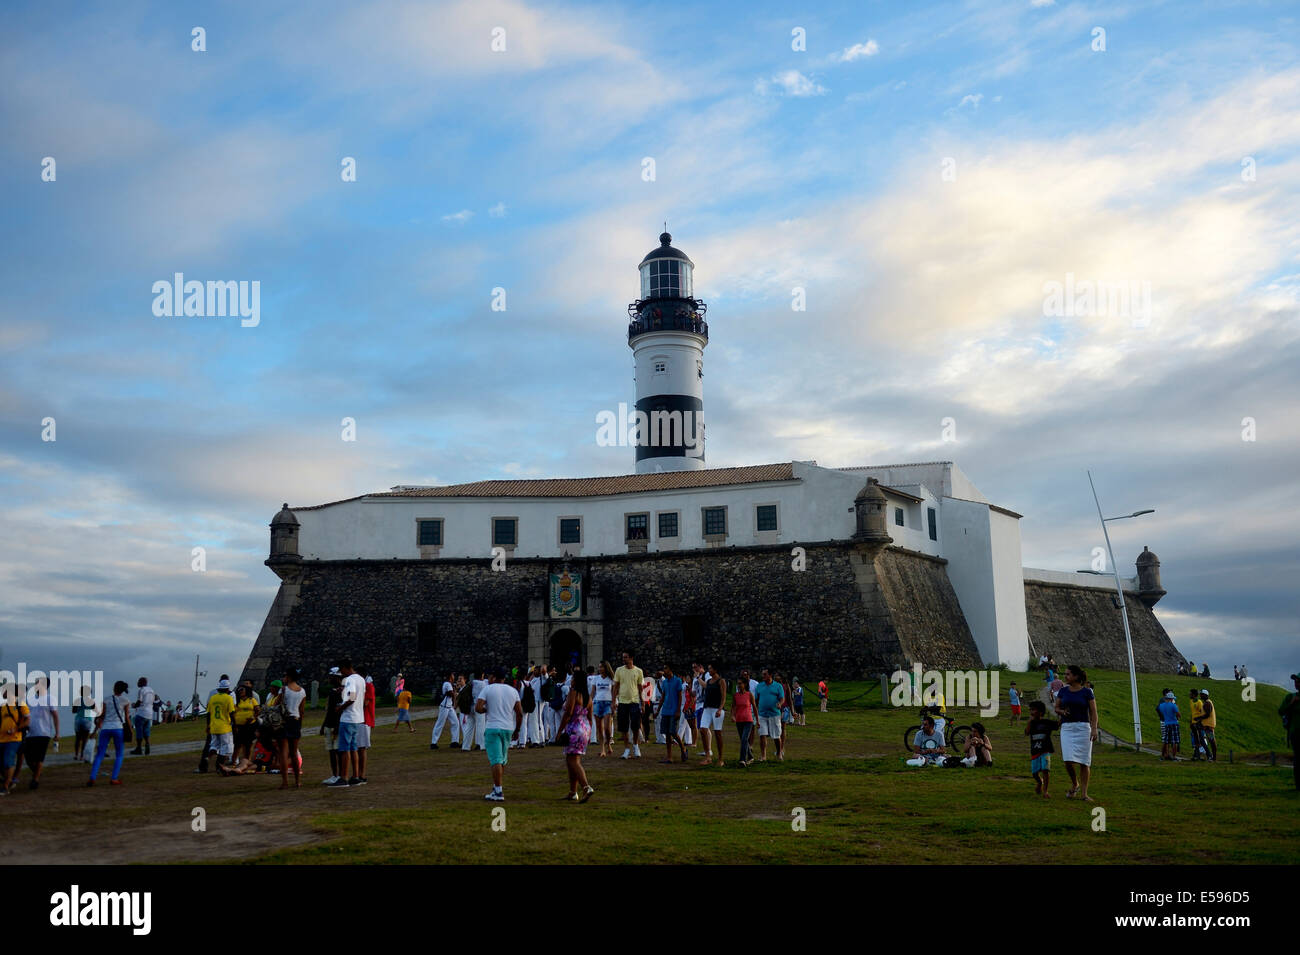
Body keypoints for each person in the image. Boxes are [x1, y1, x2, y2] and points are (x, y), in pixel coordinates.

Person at [477, 667, 522, 801]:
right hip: (507, 727)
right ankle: (496, 786)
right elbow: (519, 713)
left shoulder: (488, 689)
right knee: (502, 759)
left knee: (495, 759)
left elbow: (478, 707)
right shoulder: (513, 691)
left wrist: (486, 710)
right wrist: (517, 730)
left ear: (493, 677)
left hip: (493, 727)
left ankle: (498, 791)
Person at [1054, 665, 1098, 801]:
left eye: (1068, 674)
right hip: (1067, 728)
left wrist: (1094, 728)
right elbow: (1056, 707)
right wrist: (1061, 712)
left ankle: (1084, 794)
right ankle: (1075, 783)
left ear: (1076, 676)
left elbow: (1093, 712)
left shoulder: (1087, 692)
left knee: (1085, 762)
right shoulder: (1063, 691)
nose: (1065, 676)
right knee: (1067, 760)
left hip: (1083, 728)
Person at [560, 666, 595, 802]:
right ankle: (572, 792)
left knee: (572, 760)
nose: (571, 680)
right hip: (585, 728)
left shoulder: (573, 693)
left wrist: (559, 732)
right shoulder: (588, 697)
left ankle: (586, 787)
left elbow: (568, 713)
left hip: (574, 728)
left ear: (576, 680)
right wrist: (589, 733)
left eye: (573, 678)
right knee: (572, 760)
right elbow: (590, 717)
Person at [88, 680, 131, 787]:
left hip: (105, 728)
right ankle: (114, 778)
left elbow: (101, 717)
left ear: (114, 688)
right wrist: (130, 730)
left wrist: (94, 732)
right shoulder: (125, 700)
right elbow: (126, 718)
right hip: (118, 728)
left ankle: (92, 777)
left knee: (99, 754)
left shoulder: (106, 700)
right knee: (119, 754)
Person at [331, 660, 365, 787]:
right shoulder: (361, 679)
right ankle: (355, 776)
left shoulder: (350, 679)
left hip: (348, 717)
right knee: (353, 748)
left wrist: (340, 708)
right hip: (358, 717)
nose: (342, 673)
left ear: (346, 668)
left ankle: (344, 777)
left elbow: (352, 697)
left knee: (344, 749)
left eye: (342, 670)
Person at [23, 676, 59, 790]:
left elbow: (55, 716)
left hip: (44, 732)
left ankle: (35, 780)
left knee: (39, 757)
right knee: (28, 758)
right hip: (30, 733)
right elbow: (26, 715)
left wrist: (57, 733)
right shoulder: (30, 699)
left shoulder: (50, 698)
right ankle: (37, 772)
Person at [612, 651, 645, 759]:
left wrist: (643, 703)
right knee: (623, 727)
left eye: (626, 657)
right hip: (622, 702)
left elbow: (641, 688)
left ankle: (635, 746)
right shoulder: (619, 670)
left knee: (635, 726)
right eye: (623, 657)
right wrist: (613, 701)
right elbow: (615, 687)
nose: (623, 659)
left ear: (631, 658)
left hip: (634, 702)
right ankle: (626, 749)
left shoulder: (639, 671)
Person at [279, 668, 307, 789]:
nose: (283, 678)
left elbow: (277, 705)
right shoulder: (302, 691)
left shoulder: (284, 689)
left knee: (284, 753)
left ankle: (285, 782)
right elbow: (301, 711)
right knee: (294, 753)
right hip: (296, 721)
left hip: (285, 721)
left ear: (289, 677)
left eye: (285, 676)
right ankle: (297, 781)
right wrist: (299, 725)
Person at [1024, 700, 1058, 797]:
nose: (1031, 712)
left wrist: (1062, 714)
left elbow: (1057, 725)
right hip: (1035, 751)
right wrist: (1029, 722)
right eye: (1030, 710)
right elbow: (1026, 733)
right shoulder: (1031, 723)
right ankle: (1039, 782)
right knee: (1035, 773)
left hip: (1045, 751)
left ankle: (1045, 791)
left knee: (1045, 770)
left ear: (1041, 712)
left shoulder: (1047, 722)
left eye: (1033, 710)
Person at [204, 678, 237, 773]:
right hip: (224, 727)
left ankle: (207, 757)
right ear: (227, 689)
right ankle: (219, 766)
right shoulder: (228, 698)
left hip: (214, 726)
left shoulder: (213, 698)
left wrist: (208, 725)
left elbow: (208, 714)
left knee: (214, 745)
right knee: (225, 747)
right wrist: (234, 725)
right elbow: (232, 713)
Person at [657, 663, 687, 763]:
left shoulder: (677, 681)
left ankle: (683, 748)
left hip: (674, 710)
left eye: (665, 668)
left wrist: (678, 710)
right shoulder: (665, 682)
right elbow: (663, 697)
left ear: (670, 669)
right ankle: (669, 756)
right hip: (665, 710)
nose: (663, 670)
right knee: (667, 733)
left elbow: (680, 697)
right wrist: (658, 710)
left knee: (673, 732)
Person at [0, 687, 29, 795]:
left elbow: (27, 720)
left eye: (5, 691)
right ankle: (9, 780)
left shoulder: (20, 704)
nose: (3, 693)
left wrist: (15, 729)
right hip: (2, 738)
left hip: (14, 738)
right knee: (2, 763)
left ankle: (6, 786)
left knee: (8, 761)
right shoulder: (3, 706)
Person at [698, 663, 727, 766]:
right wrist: (697, 677)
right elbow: (704, 685)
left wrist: (720, 709)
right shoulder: (709, 681)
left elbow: (724, 697)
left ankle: (720, 758)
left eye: (710, 668)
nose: (708, 670)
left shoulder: (721, 681)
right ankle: (708, 756)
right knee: (702, 730)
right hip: (707, 708)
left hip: (717, 709)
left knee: (718, 733)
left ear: (715, 670)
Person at [753, 668, 784, 762]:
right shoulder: (759, 686)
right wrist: (756, 710)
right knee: (762, 734)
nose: (763, 676)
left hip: (774, 714)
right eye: (762, 674)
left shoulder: (778, 686)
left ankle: (779, 753)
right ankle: (763, 755)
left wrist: (780, 703)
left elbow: (782, 698)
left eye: (765, 674)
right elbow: (756, 699)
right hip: (762, 714)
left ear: (770, 675)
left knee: (776, 735)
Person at [321, 668, 345, 784]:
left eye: (331, 676)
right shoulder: (333, 691)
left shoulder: (341, 692)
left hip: (336, 725)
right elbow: (329, 710)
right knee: (331, 751)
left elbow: (339, 711)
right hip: (329, 723)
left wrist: (337, 726)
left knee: (338, 752)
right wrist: (323, 725)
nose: (329, 678)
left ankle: (340, 774)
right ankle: (334, 774)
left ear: (337, 677)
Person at [1279, 672, 1300, 791]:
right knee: (1298, 758)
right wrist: (1292, 703)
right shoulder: (1290, 697)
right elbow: (1281, 711)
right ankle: (1298, 785)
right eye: (1295, 681)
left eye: (1299, 681)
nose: (1296, 683)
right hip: (1295, 732)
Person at [430, 671, 460, 749]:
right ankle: (433, 743)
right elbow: (450, 694)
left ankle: (454, 742)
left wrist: (455, 691)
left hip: (449, 707)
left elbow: (452, 693)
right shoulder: (447, 684)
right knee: (440, 723)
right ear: (450, 676)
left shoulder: (449, 684)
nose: (454, 676)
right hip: (444, 706)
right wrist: (456, 693)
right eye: (453, 675)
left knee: (456, 722)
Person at [356, 669, 376, 784]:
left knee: (361, 748)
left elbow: (365, 703)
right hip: (358, 719)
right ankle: (357, 773)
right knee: (357, 748)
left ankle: (361, 774)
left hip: (364, 720)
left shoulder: (368, 686)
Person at [232, 684, 260, 763]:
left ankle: (247, 760)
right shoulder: (236, 701)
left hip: (250, 725)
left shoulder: (252, 700)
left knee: (248, 744)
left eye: (242, 690)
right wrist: (234, 725)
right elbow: (232, 713)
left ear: (246, 691)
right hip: (239, 726)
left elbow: (257, 710)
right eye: (239, 690)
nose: (240, 691)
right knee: (237, 745)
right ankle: (234, 761)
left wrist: (253, 717)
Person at [591, 661, 614, 756]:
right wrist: (589, 703)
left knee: (607, 728)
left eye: (602, 667)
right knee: (599, 728)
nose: (600, 669)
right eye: (599, 667)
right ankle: (602, 749)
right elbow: (592, 692)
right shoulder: (596, 679)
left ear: (606, 668)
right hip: (597, 703)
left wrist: (614, 703)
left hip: (608, 704)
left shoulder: (611, 679)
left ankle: (608, 743)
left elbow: (614, 693)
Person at [130, 677, 157, 756]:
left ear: (142, 682)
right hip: (149, 713)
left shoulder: (141, 690)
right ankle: (147, 745)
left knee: (139, 731)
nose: (137, 683)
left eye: (138, 681)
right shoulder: (152, 690)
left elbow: (140, 701)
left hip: (142, 712)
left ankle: (139, 748)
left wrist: (135, 705)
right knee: (146, 730)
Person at [732, 676, 755, 767]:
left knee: (744, 739)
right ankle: (750, 756)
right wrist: (732, 716)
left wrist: (757, 720)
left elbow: (755, 707)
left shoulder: (749, 695)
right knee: (743, 740)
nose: (739, 685)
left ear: (745, 684)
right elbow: (733, 707)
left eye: (740, 683)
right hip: (739, 720)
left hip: (748, 720)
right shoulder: (735, 696)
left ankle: (742, 760)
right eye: (738, 683)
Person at [72, 684, 96, 762]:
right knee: (85, 739)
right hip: (87, 719)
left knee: (78, 738)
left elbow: (73, 711)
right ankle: (82, 756)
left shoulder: (77, 700)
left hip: (78, 718)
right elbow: (94, 710)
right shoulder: (91, 701)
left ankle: (76, 755)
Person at [1157, 692, 1180, 760]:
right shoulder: (1173, 705)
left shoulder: (1161, 705)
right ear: (1171, 699)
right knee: (1174, 741)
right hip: (1174, 723)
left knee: (1166, 740)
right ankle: (1174, 756)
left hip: (1166, 723)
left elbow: (1160, 711)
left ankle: (1165, 755)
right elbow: (1178, 715)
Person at [1196, 689, 1217, 762]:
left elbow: (1207, 714)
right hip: (1206, 725)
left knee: (1212, 741)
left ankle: (1213, 758)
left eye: (1201, 694)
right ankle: (1211, 756)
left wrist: (1199, 718)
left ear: (1205, 695)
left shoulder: (1207, 703)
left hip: (1208, 726)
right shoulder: (1206, 703)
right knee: (1202, 739)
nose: (1200, 695)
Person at [1188, 689, 1205, 760]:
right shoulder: (1191, 701)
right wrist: (1190, 721)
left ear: (1194, 695)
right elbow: (1193, 712)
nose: (1189, 694)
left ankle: (1199, 755)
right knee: (1194, 740)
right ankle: (1196, 755)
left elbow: (1202, 713)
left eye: (1190, 693)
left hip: (1198, 724)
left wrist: (1199, 722)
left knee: (1199, 740)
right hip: (1193, 723)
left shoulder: (1199, 702)